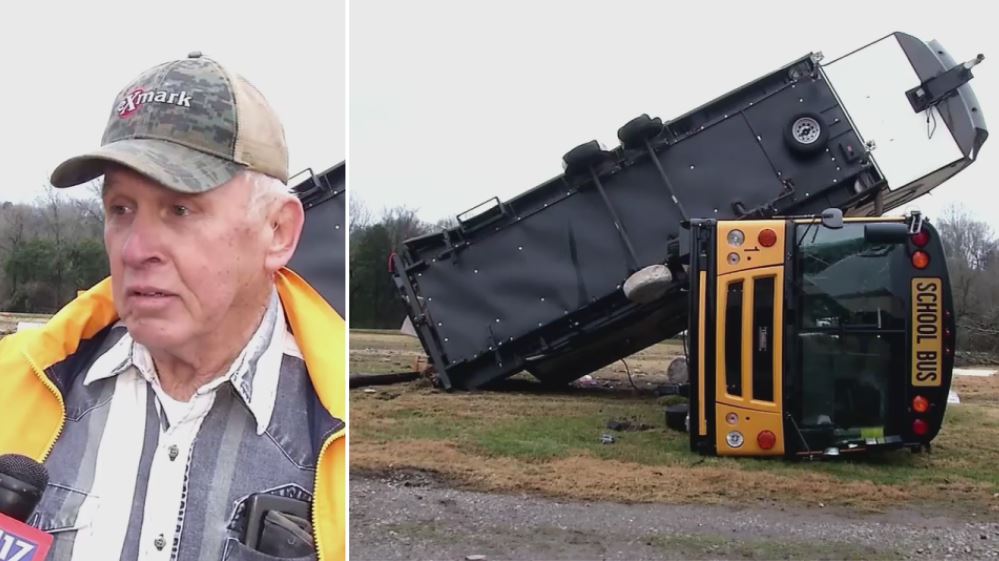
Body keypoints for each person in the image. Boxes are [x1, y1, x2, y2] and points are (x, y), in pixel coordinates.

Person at [0, 52, 345, 561]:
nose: (136, 249)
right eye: (121, 209)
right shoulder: (16, 383)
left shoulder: (340, 433)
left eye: (180, 209)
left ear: (278, 231)